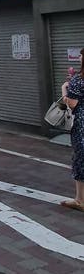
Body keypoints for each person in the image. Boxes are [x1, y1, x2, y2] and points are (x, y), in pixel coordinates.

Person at [61, 47, 84, 211]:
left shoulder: (79, 79)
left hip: (82, 126)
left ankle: (80, 200)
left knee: (80, 160)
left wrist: (65, 89)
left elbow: (71, 103)